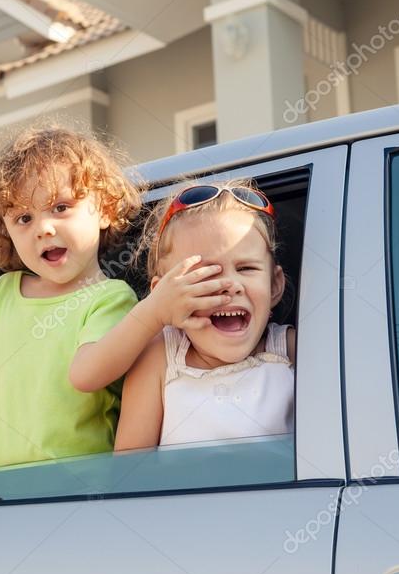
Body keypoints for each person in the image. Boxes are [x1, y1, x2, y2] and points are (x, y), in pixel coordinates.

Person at [0, 125, 234, 537]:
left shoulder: (111, 299)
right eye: (23, 217)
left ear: (104, 208)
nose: (43, 228)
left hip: (77, 503)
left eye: (60, 207)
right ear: (8, 232)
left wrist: (153, 312)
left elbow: (86, 373)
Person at [115, 180, 296, 450]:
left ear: (274, 285)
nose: (228, 284)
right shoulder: (160, 360)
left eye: (246, 268)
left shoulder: (291, 349)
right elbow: (128, 475)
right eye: (206, 273)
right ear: (162, 295)